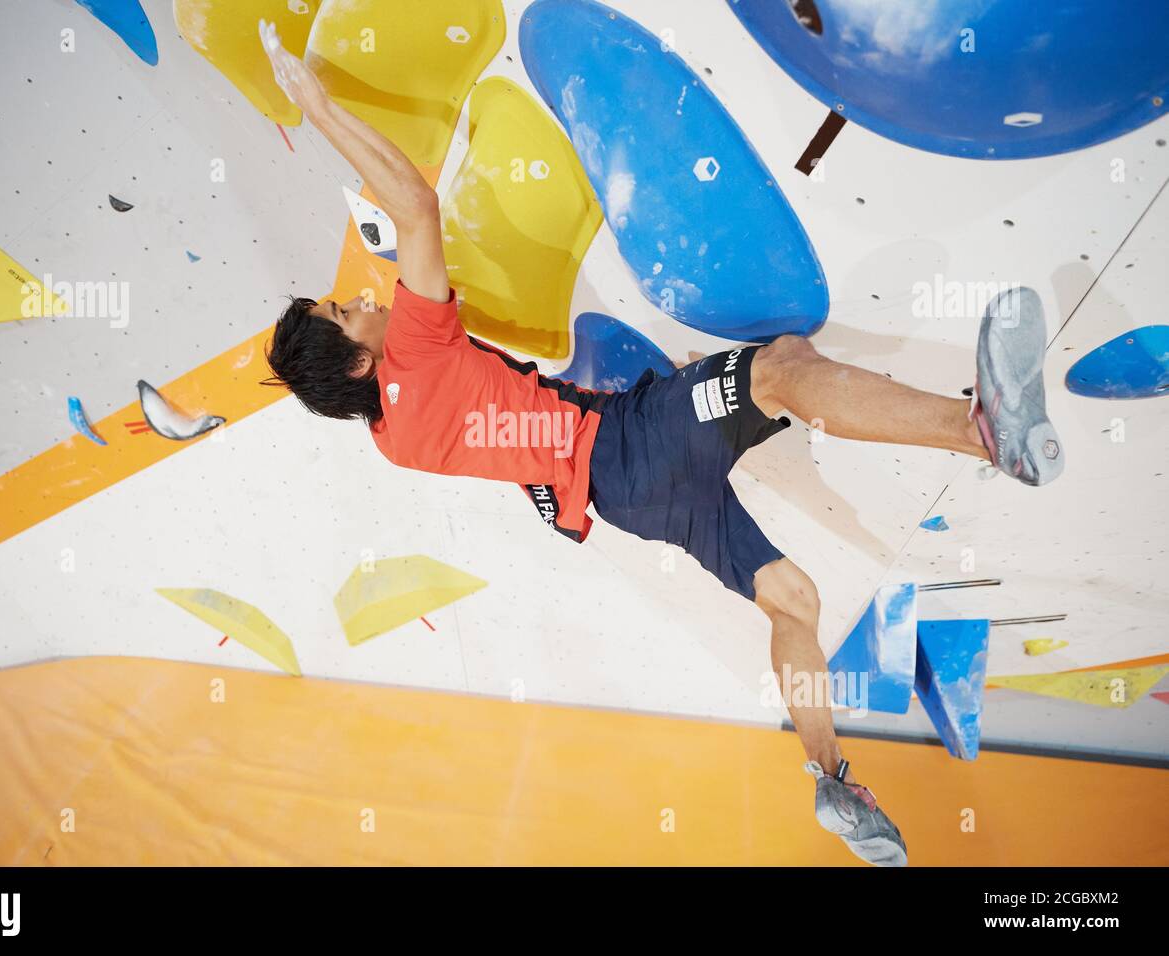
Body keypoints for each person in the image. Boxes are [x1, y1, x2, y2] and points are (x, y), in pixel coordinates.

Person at [257, 20, 1064, 867]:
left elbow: (487, 409)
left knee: (792, 601)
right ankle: (981, 432)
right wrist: (317, 107)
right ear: (355, 356)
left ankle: (831, 776)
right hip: (626, 448)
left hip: (630, 501)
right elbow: (416, 206)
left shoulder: (392, 438)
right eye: (345, 311)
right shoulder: (412, 354)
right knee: (782, 368)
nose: (359, 299)